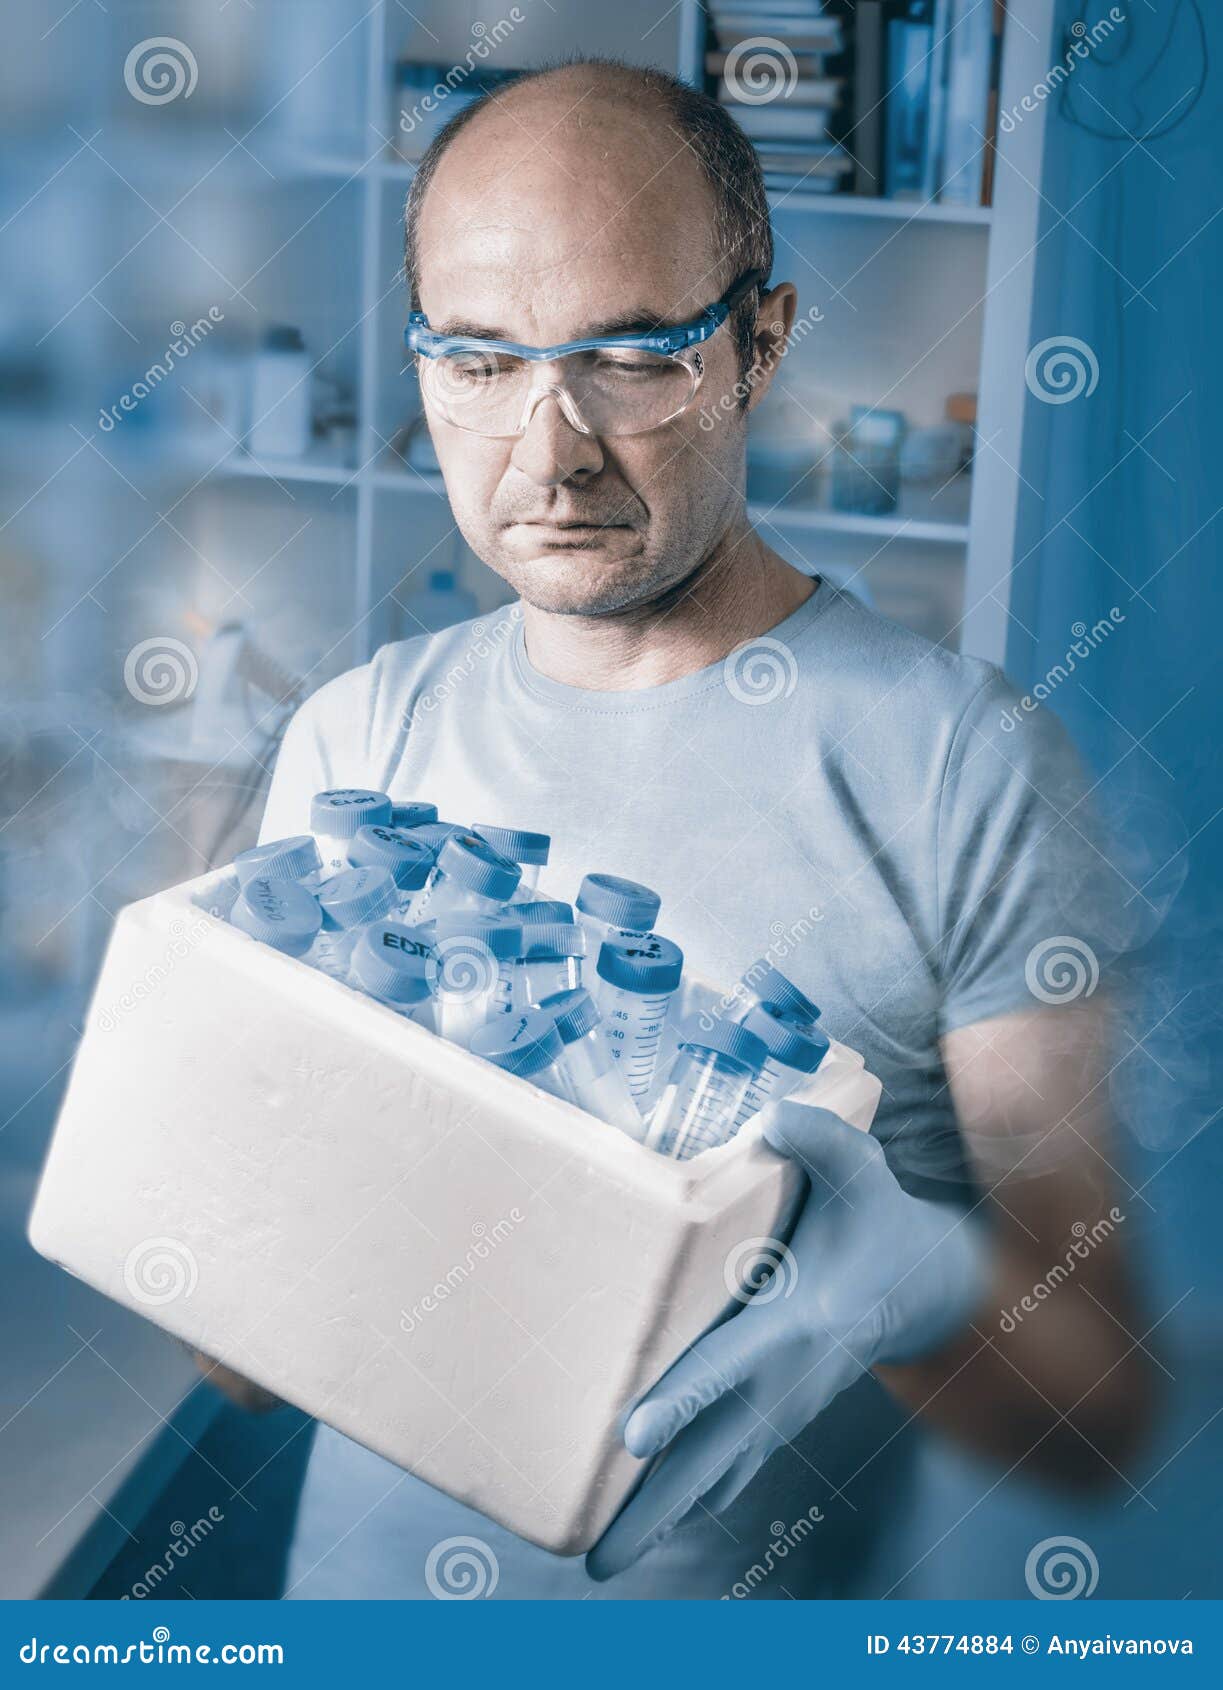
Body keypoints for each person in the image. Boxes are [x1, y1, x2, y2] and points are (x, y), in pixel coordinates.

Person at [213, 57, 1152, 1599]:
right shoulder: (356, 738)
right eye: (480, 360)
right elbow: (240, 1354)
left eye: (636, 355)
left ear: (761, 342)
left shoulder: (964, 767)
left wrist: (916, 1302)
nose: (550, 446)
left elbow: (1096, 1404)